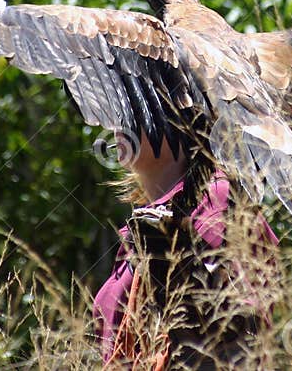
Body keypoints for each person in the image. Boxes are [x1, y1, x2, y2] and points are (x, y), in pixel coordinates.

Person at [93, 139, 279, 369]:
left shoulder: (217, 200)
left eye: (134, 105)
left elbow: (246, 336)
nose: (120, 121)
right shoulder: (139, 229)